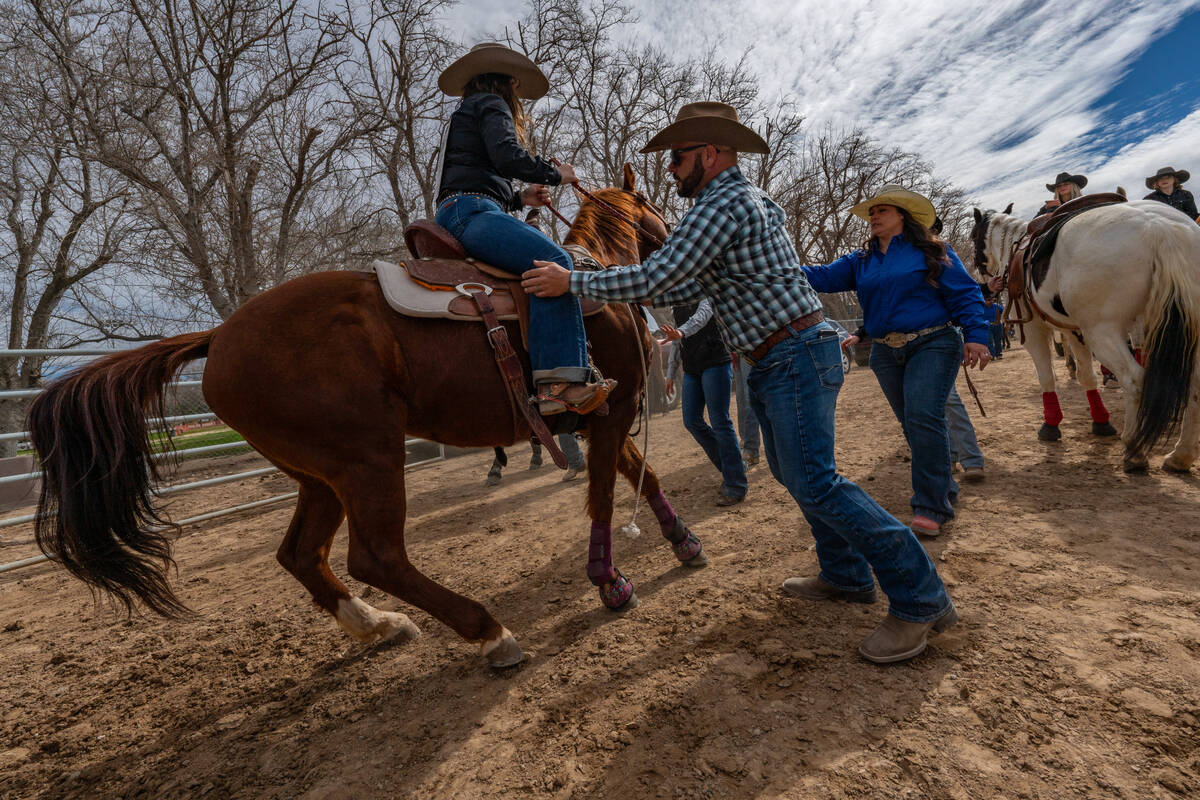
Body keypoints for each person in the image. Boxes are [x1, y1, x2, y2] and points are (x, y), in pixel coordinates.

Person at [521, 101, 958, 664]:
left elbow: (662, 274)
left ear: (709, 152)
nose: (672, 170)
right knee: (795, 472)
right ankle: (845, 574)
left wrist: (572, 279)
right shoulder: (735, 202)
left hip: (792, 353)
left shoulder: (722, 201)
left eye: (677, 158)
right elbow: (680, 268)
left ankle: (921, 599)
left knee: (816, 480)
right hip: (784, 353)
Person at [434, 42, 612, 415]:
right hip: (471, 210)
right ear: (509, 83)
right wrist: (556, 175)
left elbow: (475, 174)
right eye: (517, 90)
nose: (517, 98)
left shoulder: (465, 112)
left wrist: (519, 200)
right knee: (553, 259)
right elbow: (506, 156)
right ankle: (558, 383)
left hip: (460, 208)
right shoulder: (491, 103)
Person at [802, 185, 991, 537]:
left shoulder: (934, 250)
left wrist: (977, 336)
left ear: (902, 215)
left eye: (881, 211)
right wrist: (774, 263)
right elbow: (821, 277)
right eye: (872, 213)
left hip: (933, 342)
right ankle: (945, 488)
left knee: (923, 416)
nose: (873, 217)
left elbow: (966, 293)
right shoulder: (860, 261)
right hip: (885, 352)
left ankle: (931, 506)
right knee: (912, 423)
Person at [662, 298, 748, 506]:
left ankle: (735, 484)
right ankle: (733, 465)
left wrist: (681, 332)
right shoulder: (677, 301)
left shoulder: (705, 295)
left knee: (719, 421)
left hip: (716, 362)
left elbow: (700, 319)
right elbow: (675, 340)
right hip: (692, 368)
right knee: (691, 421)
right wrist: (671, 373)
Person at [731, 356, 761, 468]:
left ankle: (751, 449)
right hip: (736, 348)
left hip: (747, 348)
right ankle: (746, 439)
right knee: (741, 399)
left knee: (749, 397)